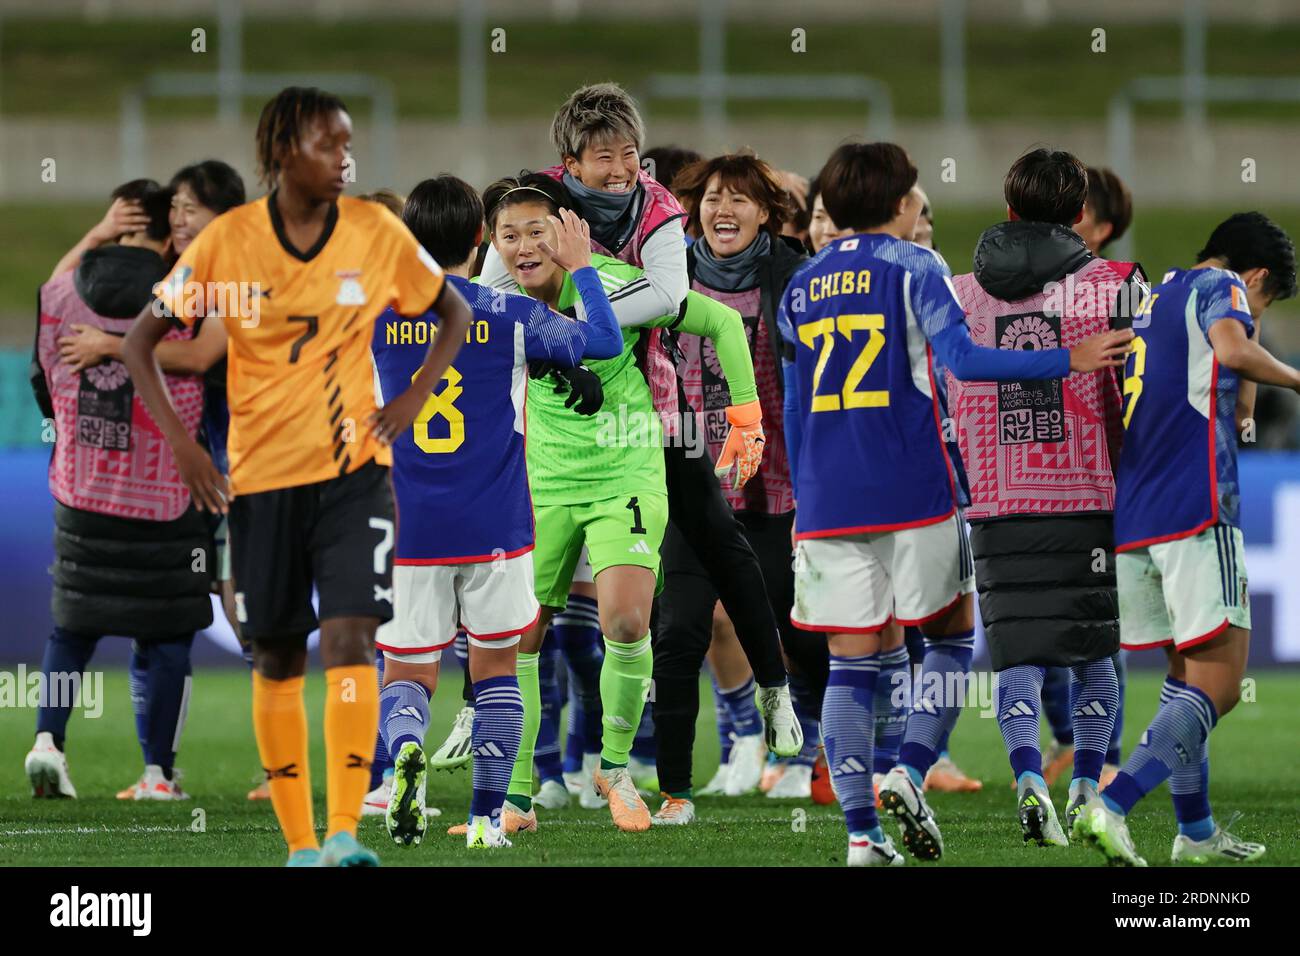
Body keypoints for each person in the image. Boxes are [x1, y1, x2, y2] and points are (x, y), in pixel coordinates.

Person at [122, 86, 473, 867]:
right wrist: (185, 445)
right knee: (278, 653)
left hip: (354, 475)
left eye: (350, 143)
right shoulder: (227, 244)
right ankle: (300, 844)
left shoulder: (377, 231)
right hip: (262, 480)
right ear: (283, 152)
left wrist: (413, 395)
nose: (346, 157)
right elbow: (141, 343)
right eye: (329, 144)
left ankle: (345, 833)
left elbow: (450, 312)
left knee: (350, 637)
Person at [779, 142, 1133, 866]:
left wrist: (802, 494)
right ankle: (910, 766)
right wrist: (1068, 357)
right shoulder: (917, 269)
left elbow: (792, 404)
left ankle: (861, 836)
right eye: (912, 192)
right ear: (896, 203)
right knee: (946, 640)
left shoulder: (801, 284)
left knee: (850, 668)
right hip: (912, 489)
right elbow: (965, 361)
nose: (918, 202)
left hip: (824, 500)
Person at [465, 82, 800, 784]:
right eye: (603, 157)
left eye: (629, 154)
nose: (621, 170)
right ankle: (501, 728)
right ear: (569, 164)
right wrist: (556, 339)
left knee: (713, 547)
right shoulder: (531, 210)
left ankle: (770, 692)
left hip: (652, 415)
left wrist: (583, 317)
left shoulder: (655, 209)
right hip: (555, 435)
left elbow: (676, 301)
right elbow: (495, 310)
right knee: (539, 609)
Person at [369, 177, 621, 849]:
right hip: (496, 527)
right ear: (480, 240)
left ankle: (404, 761)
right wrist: (584, 269)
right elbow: (604, 344)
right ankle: (485, 820)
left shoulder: (372, 317)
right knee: (497, 671)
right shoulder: (508, 315)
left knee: (409, 672)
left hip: (408, 526)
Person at [1078, 212, 1298, 866]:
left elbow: (1220, 372)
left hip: (1136, 513)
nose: (1254, 313)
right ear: (1254, 276)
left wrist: (1248, 395)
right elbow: (1232, 347)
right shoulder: (1222, 287)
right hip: (1196, 507)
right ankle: (1112, 804)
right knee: (1223, 685)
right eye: (1263, 301)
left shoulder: (1149, 297)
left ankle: (1195, 833)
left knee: (1185, 677)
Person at [947, 148, 1146, 846]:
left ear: (1008, 210)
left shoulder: (957, 291)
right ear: (1078, 215)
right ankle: (1090, 783)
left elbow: (942, 390)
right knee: (1096, 657)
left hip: (997, 502)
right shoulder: (1118, 286)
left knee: (1017, 657)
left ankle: (1030, 775)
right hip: (1089, 496)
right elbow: (1139, 398)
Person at [55, 160, 251, 800]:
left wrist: (111, 345)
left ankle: (315, 766)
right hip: (216, 470)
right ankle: (165, 772)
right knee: (230, 614)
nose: (178, 221)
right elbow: (64, 295)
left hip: (258, 464)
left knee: (255, 618)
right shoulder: (185, 278)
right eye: (175, 212)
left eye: (190, 209)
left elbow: (198, 355)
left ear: (225, 214)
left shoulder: (235, 272)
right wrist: (101, 233)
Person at [26, 178, 211, 801]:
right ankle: (158, 772)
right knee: (167, 636)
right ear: (169, 231)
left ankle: (48, 741)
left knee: (69, 628)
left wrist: (95, 234)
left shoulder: (61, 292)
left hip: (82, 489)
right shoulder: (184, 293)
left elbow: (41, 361)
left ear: (118, 223)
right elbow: (209, 362)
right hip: (166, 496)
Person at [652, 151, 815, 820]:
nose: (724, 209)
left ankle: (804, 752)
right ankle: (697, 774)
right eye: (714, 196)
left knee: (793, 624)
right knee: (684, 625)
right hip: (691, 479)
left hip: (773, 484)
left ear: (768, 214)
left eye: (741, 199)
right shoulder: (667, 277)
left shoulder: (795, 279)